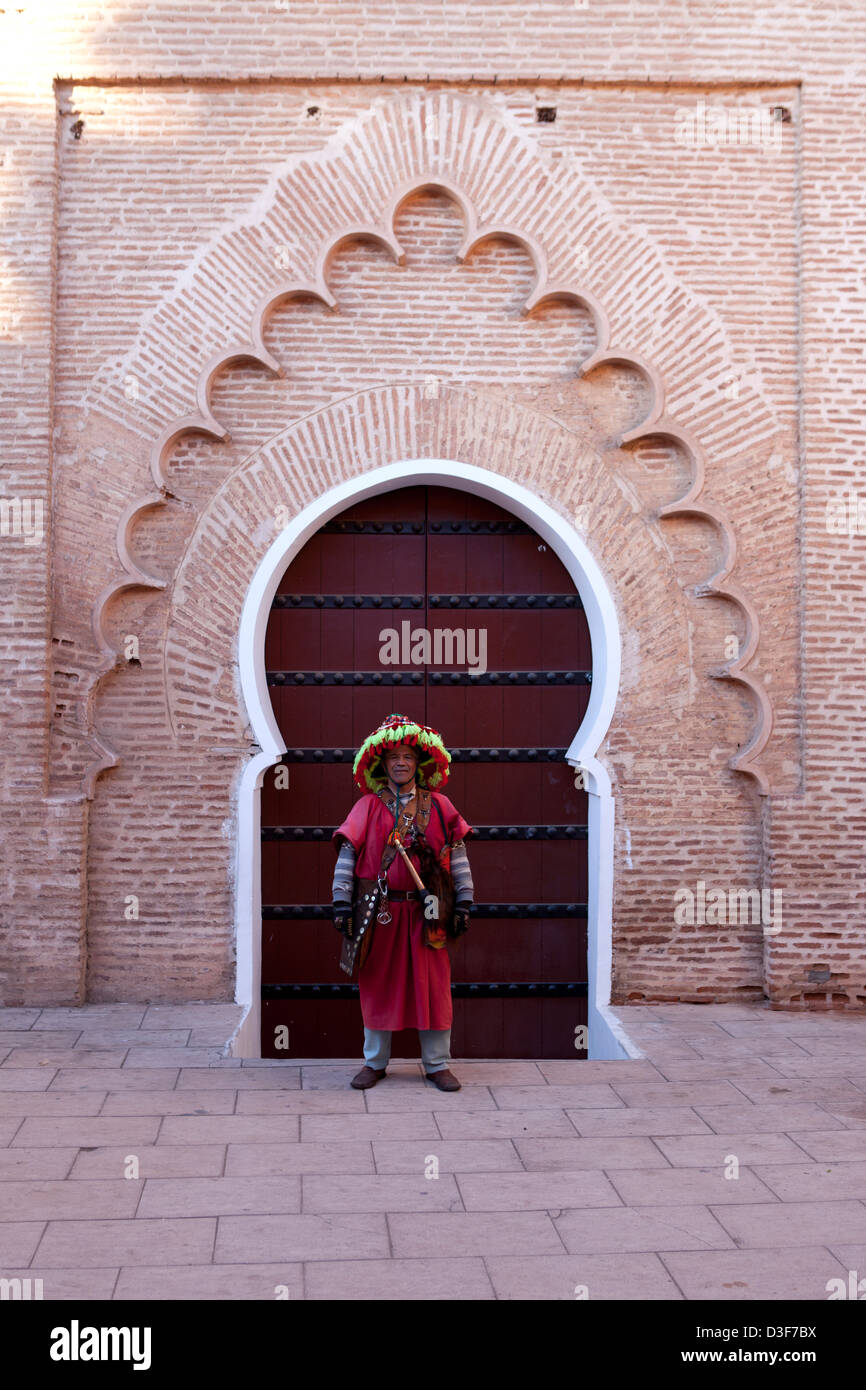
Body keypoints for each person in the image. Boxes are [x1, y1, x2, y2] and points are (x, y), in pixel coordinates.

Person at [329, 713, 474, 1091]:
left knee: (434, 984)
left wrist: (463, 904)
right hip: (382, 913)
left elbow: (458, 856)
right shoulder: (367, 807)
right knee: (378, 984)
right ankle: (375, 1063)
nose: (400, 763)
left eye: (408, 757)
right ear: (382, 763)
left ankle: (437, 1064)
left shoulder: (440, 806)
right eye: (393, 757)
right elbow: (347, 855)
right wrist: (341, 903)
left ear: (418, 763)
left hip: (429, 910)